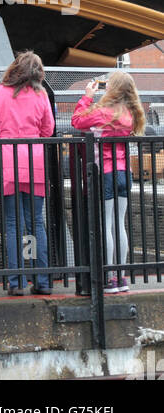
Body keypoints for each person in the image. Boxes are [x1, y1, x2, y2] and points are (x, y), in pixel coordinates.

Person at [0, 51, 54, 296]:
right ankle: (42, 280)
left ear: (15, 68)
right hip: (35, 160)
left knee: (13, 224)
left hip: (7, 160)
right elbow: (49, 129)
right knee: (36, 223)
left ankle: (17, 282)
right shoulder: (41, 94)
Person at [71, 71, 145, 293]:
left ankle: (110, 278)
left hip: (104, 172)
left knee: (105, 225)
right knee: (119, 224)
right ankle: (121, 277)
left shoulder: (104, 113)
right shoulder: (131, 114)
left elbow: (77, 121)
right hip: (124, 174)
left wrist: (87, 96)